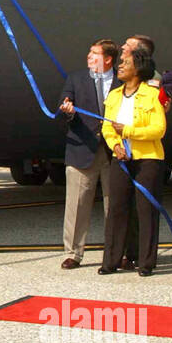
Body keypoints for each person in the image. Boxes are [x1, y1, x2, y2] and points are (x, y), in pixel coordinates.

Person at [99, 45, 167, 277]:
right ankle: (111, 261)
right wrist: (115, 145)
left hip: (147, 159)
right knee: (116, 208)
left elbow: (158, 129)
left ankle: (146, 262)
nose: (119, 66)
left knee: (145, 210)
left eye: (125, 63)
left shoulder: (152, 95)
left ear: (138, 68)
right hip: (121, 158)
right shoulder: (114, 96)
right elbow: (107, 126)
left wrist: (128, 131)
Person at [57, 39, 120, 268]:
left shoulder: (122, 80)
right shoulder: (76, 79)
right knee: (77, 204)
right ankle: (73, 253)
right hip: (82, 149)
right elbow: (62, 112)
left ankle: (116, 252)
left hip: (114, 152)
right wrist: (68, 111)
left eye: (95, 54)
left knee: (115, 205)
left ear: (108, 59)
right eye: (90, 52)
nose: (89, 57)